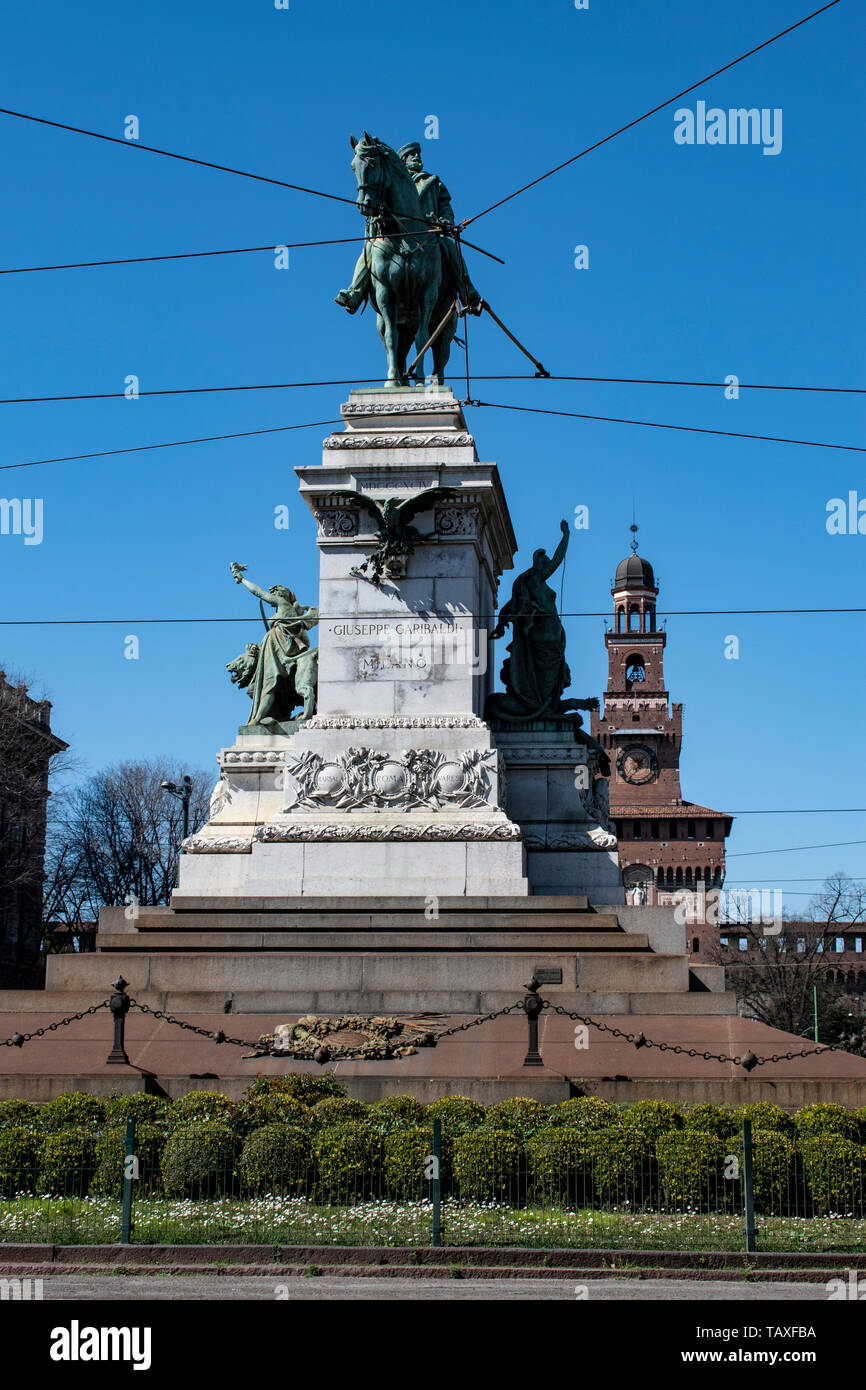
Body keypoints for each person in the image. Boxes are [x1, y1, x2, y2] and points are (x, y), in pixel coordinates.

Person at [335, 141, 480, 313]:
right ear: (402, 160)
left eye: (418, 154)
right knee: (370, 249)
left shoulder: (433, 182)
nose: (417, 157)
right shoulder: (391, 182)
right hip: (395, 236)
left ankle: (467, 293)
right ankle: (355, 292)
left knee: (449, 248)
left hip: (428, 234)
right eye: (412, 155)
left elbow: (445, 206)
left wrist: (445, 221)